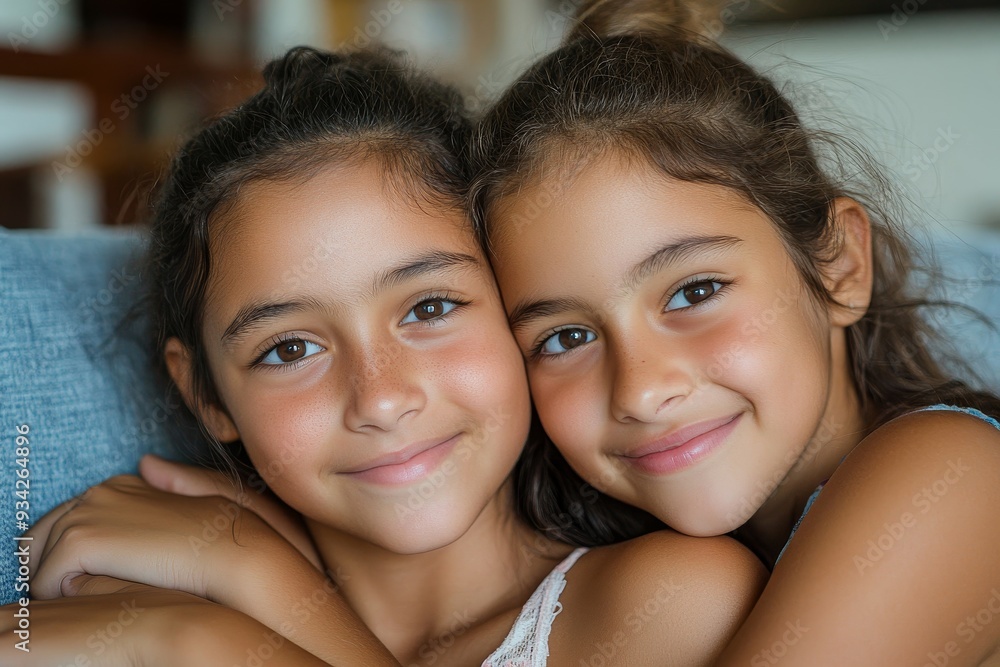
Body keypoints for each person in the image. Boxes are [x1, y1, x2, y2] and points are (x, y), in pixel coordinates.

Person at [0, 45, 764, 666]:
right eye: (289, 347)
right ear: (204, 395)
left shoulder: (672, 605)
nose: (381, 398)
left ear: (513, 303)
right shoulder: (146, 608)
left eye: (429, 308)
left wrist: (244, 607)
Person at [469, 0, 1000, 663]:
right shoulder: (635, 584)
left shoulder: (952, 474)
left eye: (696, 291)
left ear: (839, 263)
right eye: (566, 338)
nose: (641, 389)